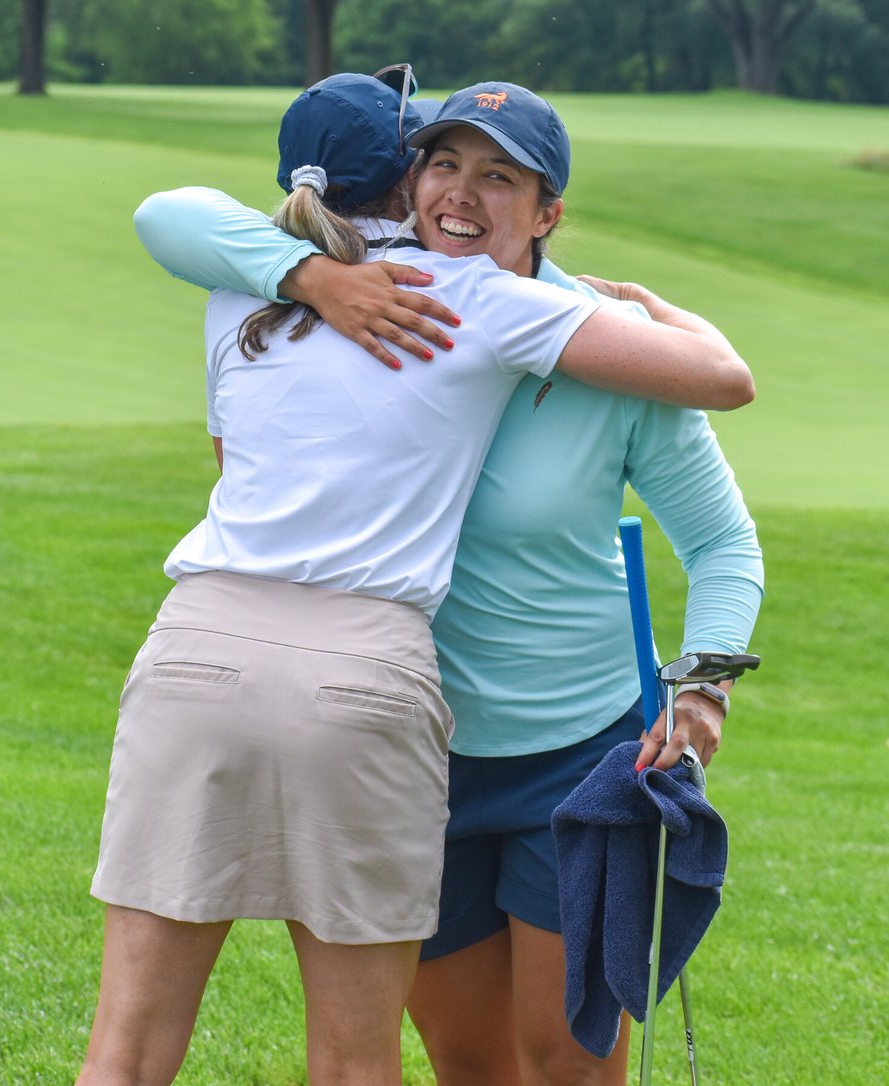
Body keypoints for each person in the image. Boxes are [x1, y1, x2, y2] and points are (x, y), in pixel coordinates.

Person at [77, 74, 755, 1086]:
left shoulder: (602, 354)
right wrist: (312, 276)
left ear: (550, 211)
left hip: (570, 749)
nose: (464, 194)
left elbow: (723, 541)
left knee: (565, 1061)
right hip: (414, 743)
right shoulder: (390, 295)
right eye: (444, 164)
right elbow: (178, 222)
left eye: (499, 177)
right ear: (408, 180)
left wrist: (701, 682)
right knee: (464, 1058)